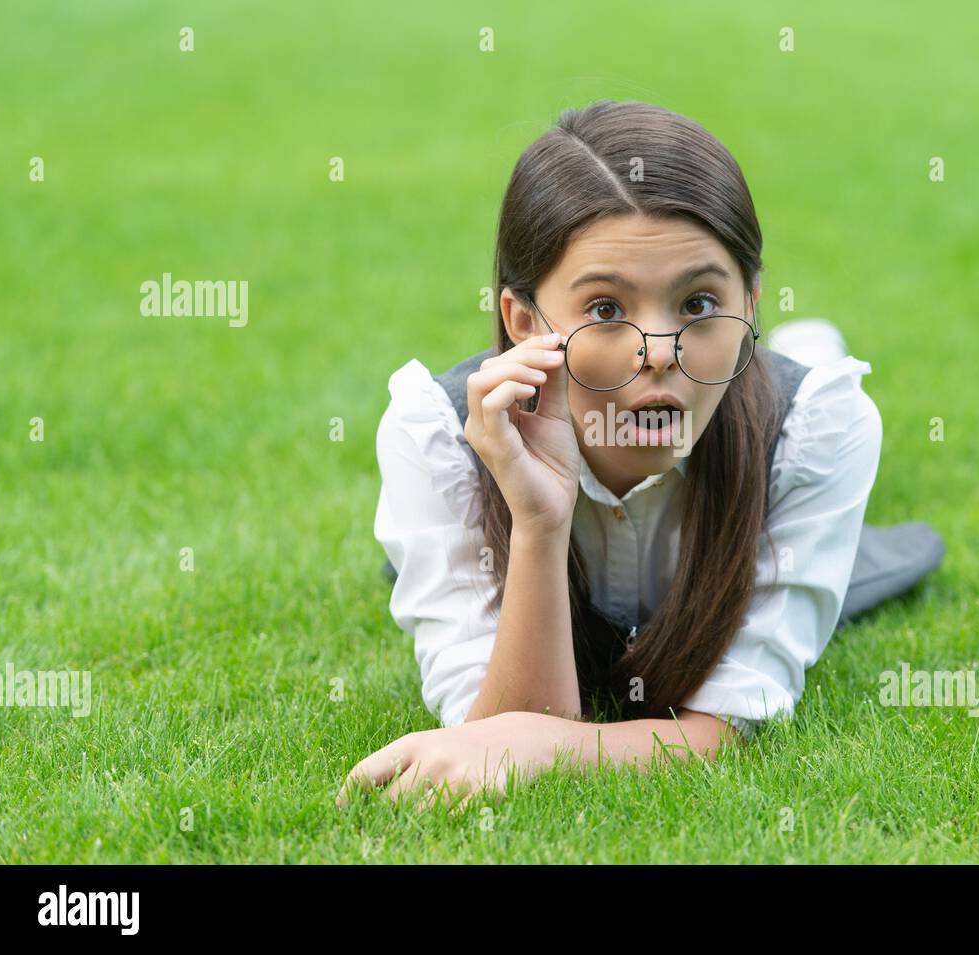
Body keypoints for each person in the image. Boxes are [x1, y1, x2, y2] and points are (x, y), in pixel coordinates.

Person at [337, 100, 942, 813]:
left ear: (748, 303)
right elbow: (491, 732)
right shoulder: (434, 435)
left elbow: (723, 731)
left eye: (697, 304)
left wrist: (548, 749)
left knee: (885, 561)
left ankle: (809, 349)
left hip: (753, 503)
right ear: (525, 323)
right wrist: (537, 520)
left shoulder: (818, 431)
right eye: (604, 310)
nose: (656, 352)